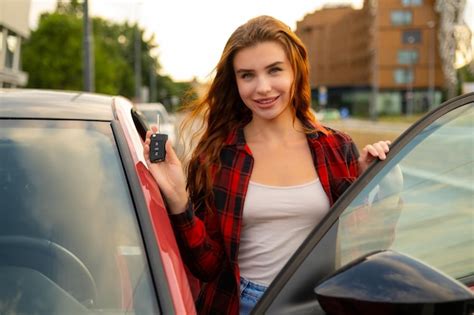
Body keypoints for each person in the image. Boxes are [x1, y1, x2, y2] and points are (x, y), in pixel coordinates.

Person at [143, 15, 392, 315]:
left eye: (274, 70)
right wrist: (177, 198)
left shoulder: (335, 148)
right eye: (247, 75)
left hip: (319, 302)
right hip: (246, 304)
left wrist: (368, 185)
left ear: (295, 71)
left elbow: (363, 248)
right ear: (234, 82)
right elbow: (207, 267)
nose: (262, 87)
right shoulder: (217, 156)